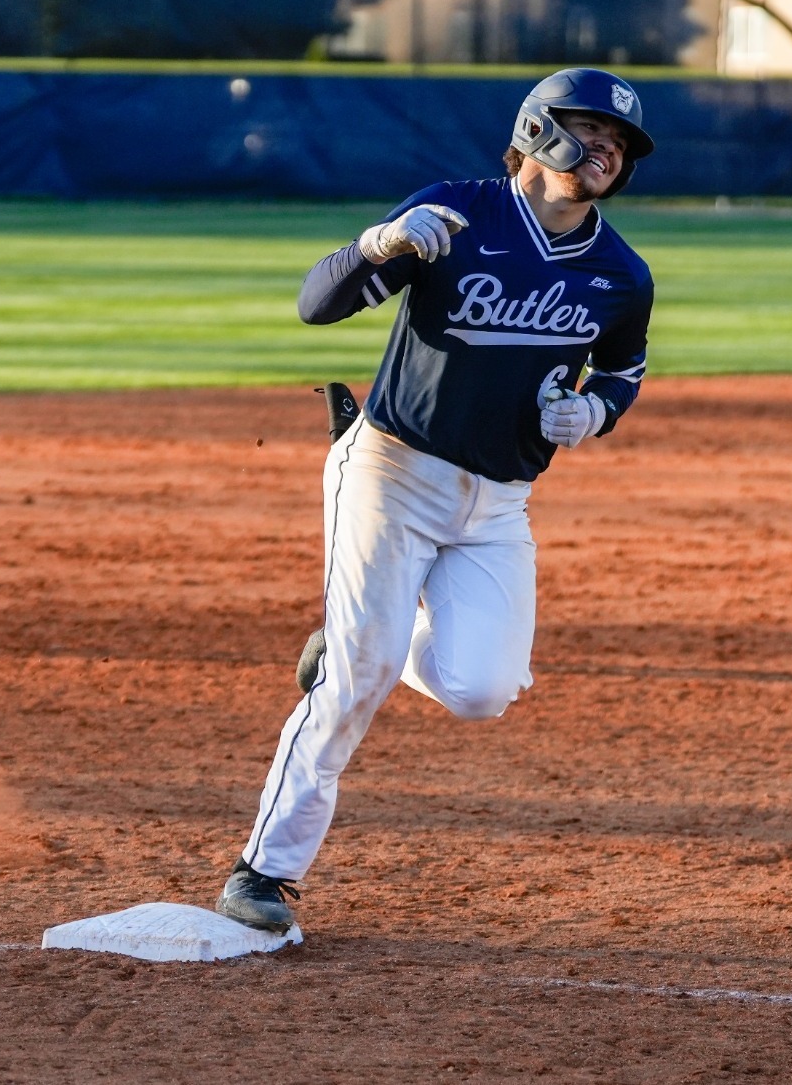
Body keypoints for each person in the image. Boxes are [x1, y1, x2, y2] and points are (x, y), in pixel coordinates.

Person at [215, 68, 657, 934]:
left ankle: (362, 639)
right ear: (538, 130)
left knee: (483, 688)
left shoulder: (620, 272)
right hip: (391, 469)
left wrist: (596, 409)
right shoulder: (456, 214)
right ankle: (262, 871)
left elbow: (624, 369)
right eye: (590, 129)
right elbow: (318, 305)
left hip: (500, 500)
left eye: (622, 143)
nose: (608, 148)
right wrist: (379, 246)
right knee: (357, 680)